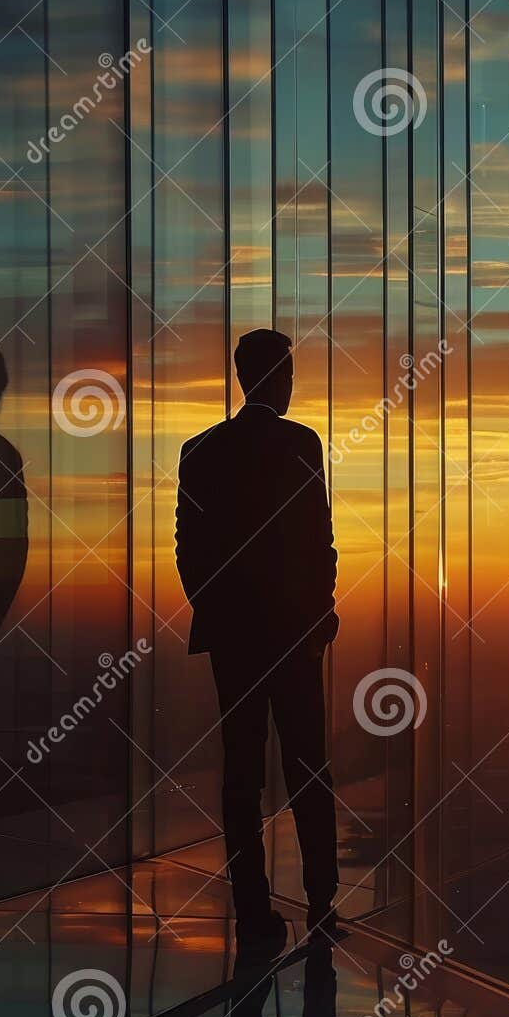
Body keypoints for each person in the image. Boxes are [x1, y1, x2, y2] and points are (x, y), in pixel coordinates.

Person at [175, 329, 340, 956]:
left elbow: (189, 550)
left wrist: (217, 613)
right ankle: (322, 900)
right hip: (292, 634)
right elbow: (315, 540)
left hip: (234, 637)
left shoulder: (199, 451)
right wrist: (318, 613)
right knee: (307, 766)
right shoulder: (301, 444)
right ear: (278, 378)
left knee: (241, 773)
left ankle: (253, 910)